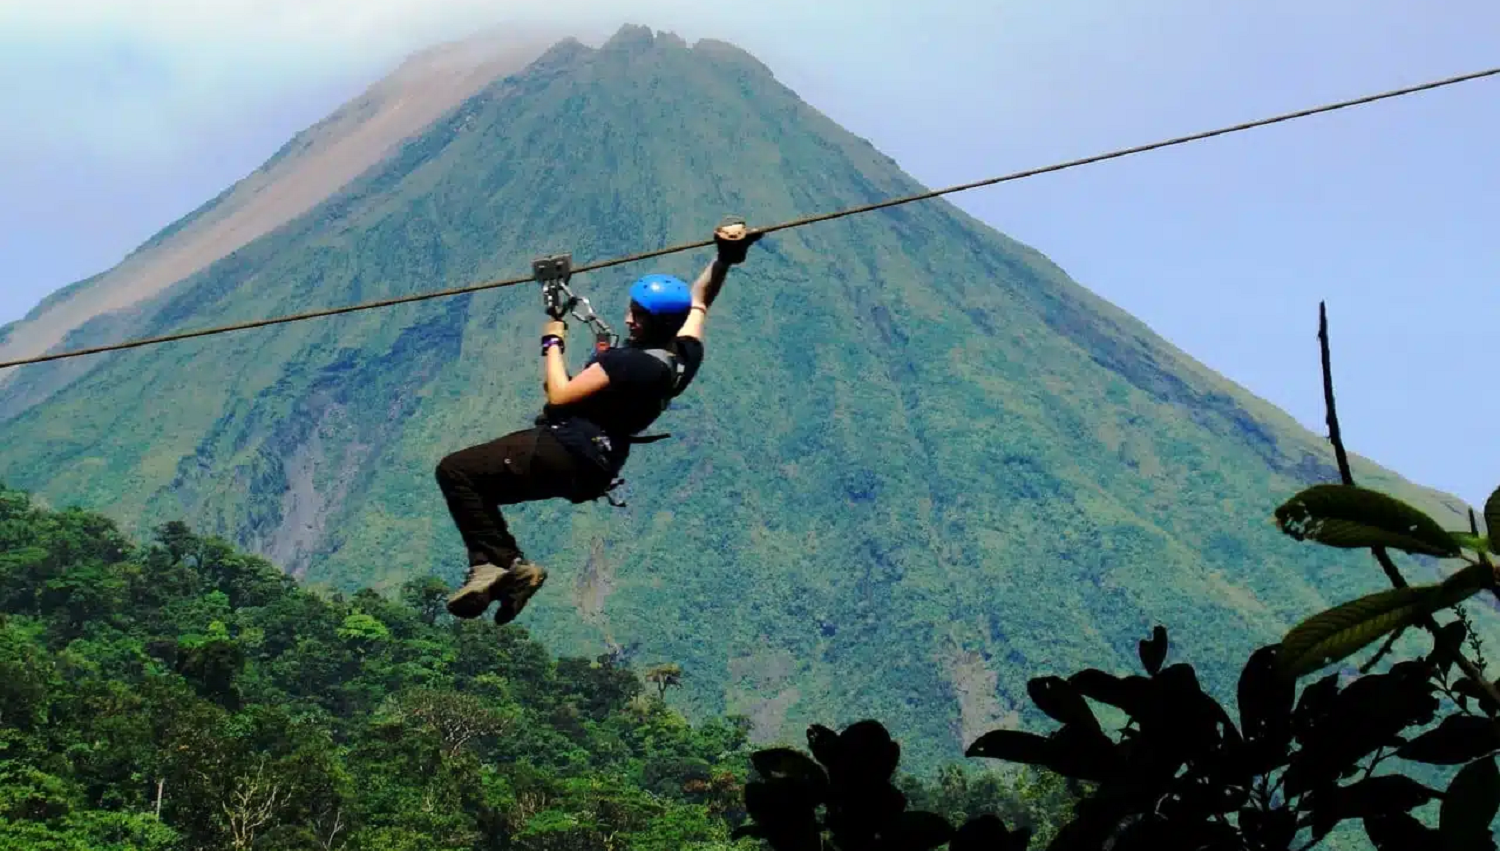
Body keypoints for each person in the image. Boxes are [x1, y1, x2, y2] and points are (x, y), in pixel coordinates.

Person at [434, 217, 762, 625]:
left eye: (637, 316)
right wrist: (725, 260)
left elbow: (559, 394)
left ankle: (501, 565)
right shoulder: (682, 358)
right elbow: (700, 301)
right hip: (597, 467)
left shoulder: (626, 362)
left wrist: (553, 340)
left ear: (651, 322)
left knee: (455, 470)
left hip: (565, 448)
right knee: (479, 486)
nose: (629, 320)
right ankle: (502, 568)